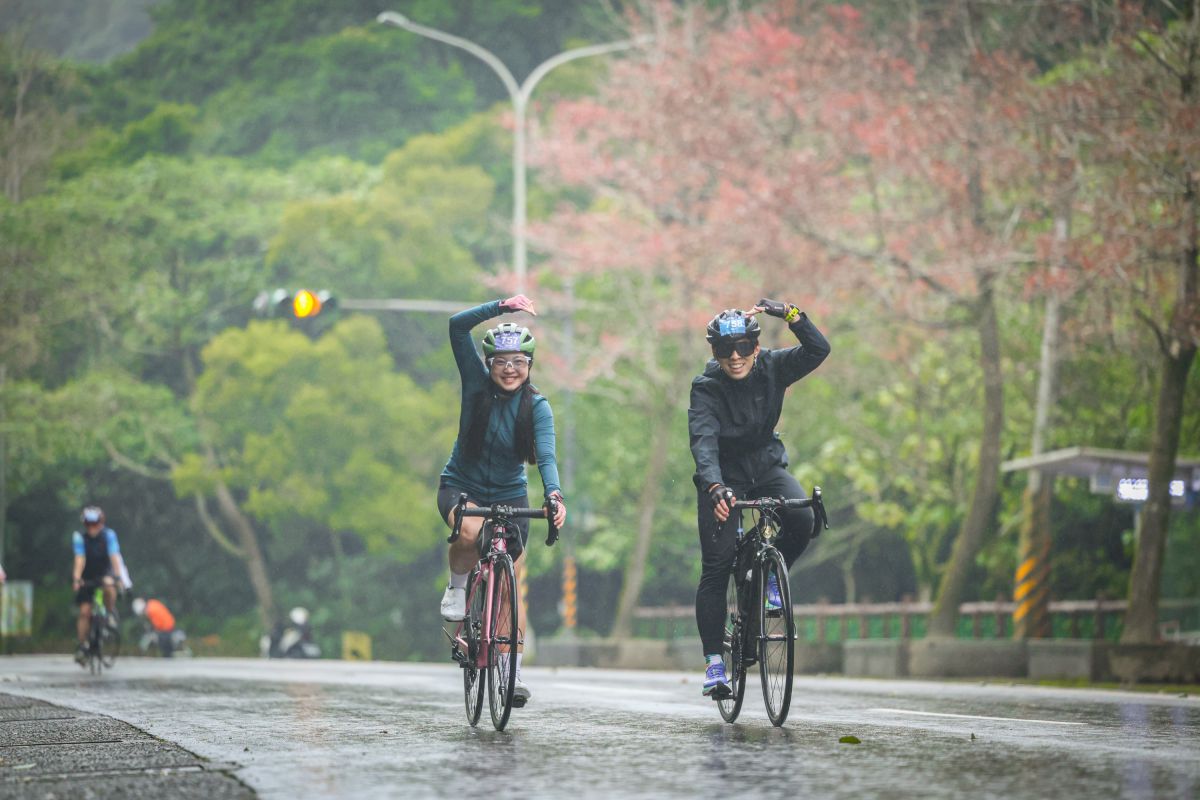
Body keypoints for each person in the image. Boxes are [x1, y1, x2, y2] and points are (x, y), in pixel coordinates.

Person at [688, 299, 830, 696]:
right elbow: (703, 443)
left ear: (755, 346)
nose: (735, 358)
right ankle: (715, 662)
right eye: (723, 351)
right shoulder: (706, 388)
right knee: (717, 565)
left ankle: (765, 575)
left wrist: (791, 315)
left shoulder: (773, 366)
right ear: (714, 352)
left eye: (743, 348)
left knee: (803, 518)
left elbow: (819, 349)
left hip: (767, 467)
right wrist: (714, 487)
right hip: (723, 477)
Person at [436, 295, 567, 707]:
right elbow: (457, 326)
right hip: (462, 487)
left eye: (519, 363)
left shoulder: (537, 406)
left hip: (511, 497)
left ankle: (512, 677)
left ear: (529, 366)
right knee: (469, 530)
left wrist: (554, 496)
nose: (510, 370)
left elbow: (546, 456)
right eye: (501, 362)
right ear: (489, 364)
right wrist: (501, 306)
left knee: (511, 589)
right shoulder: (475, 386)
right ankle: (458, 588)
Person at [72, 506, 132, 664]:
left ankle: (110, 612)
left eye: (95, 523)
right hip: (88, 575)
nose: (92, 527)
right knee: (85, 611)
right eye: (88, 524)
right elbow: (80, 558)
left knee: (108, 585)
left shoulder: (109, 536)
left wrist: (118, 577)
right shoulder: (80, 537)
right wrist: (77, 578)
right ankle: (83, 644)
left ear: (101, 523)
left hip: (105, 572)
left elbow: (114, 556)